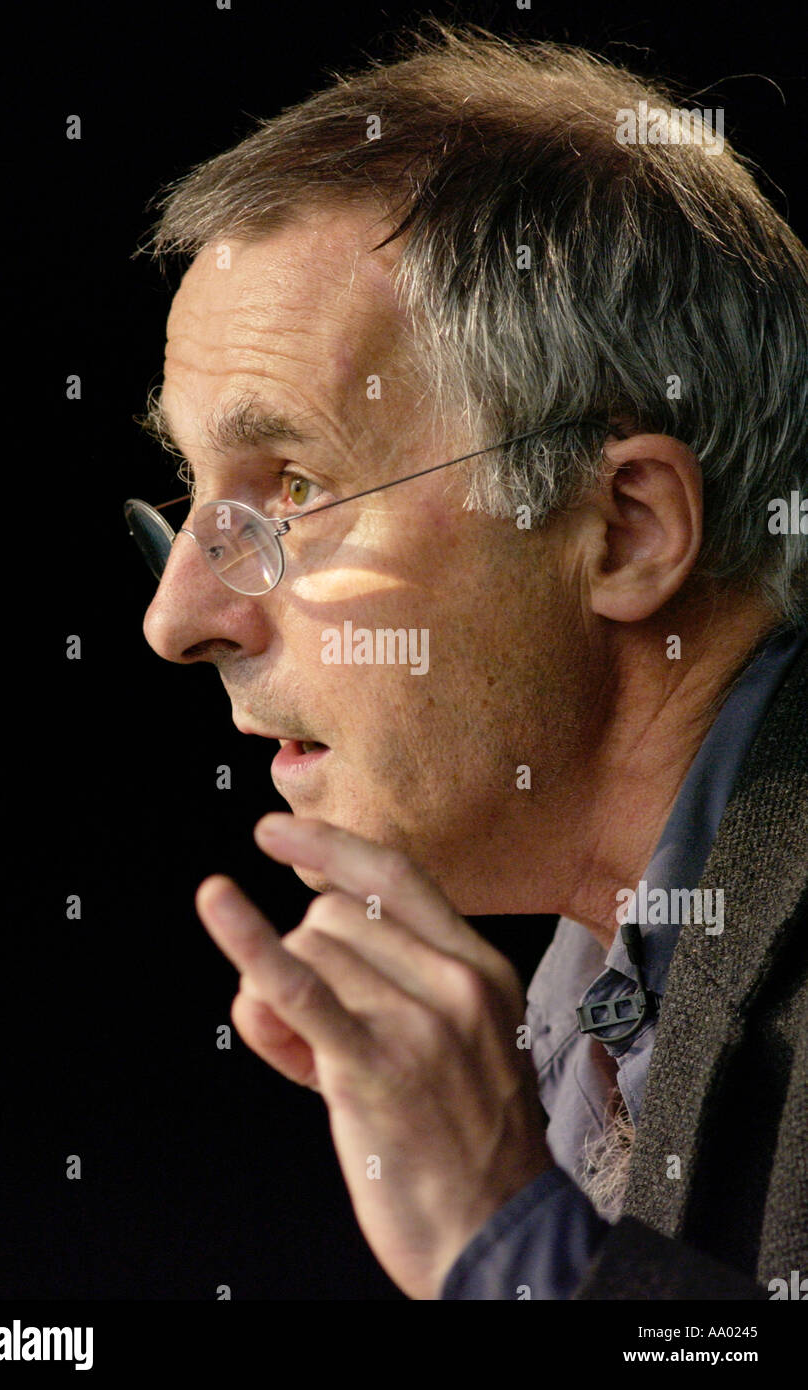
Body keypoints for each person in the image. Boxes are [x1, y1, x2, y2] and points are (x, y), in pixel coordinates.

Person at [125, 25, 808, 1299]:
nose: (180, 618)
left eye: (294, 489)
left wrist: (511, 1248)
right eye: (189, 499)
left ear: (623, 529)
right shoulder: (582, 1004)